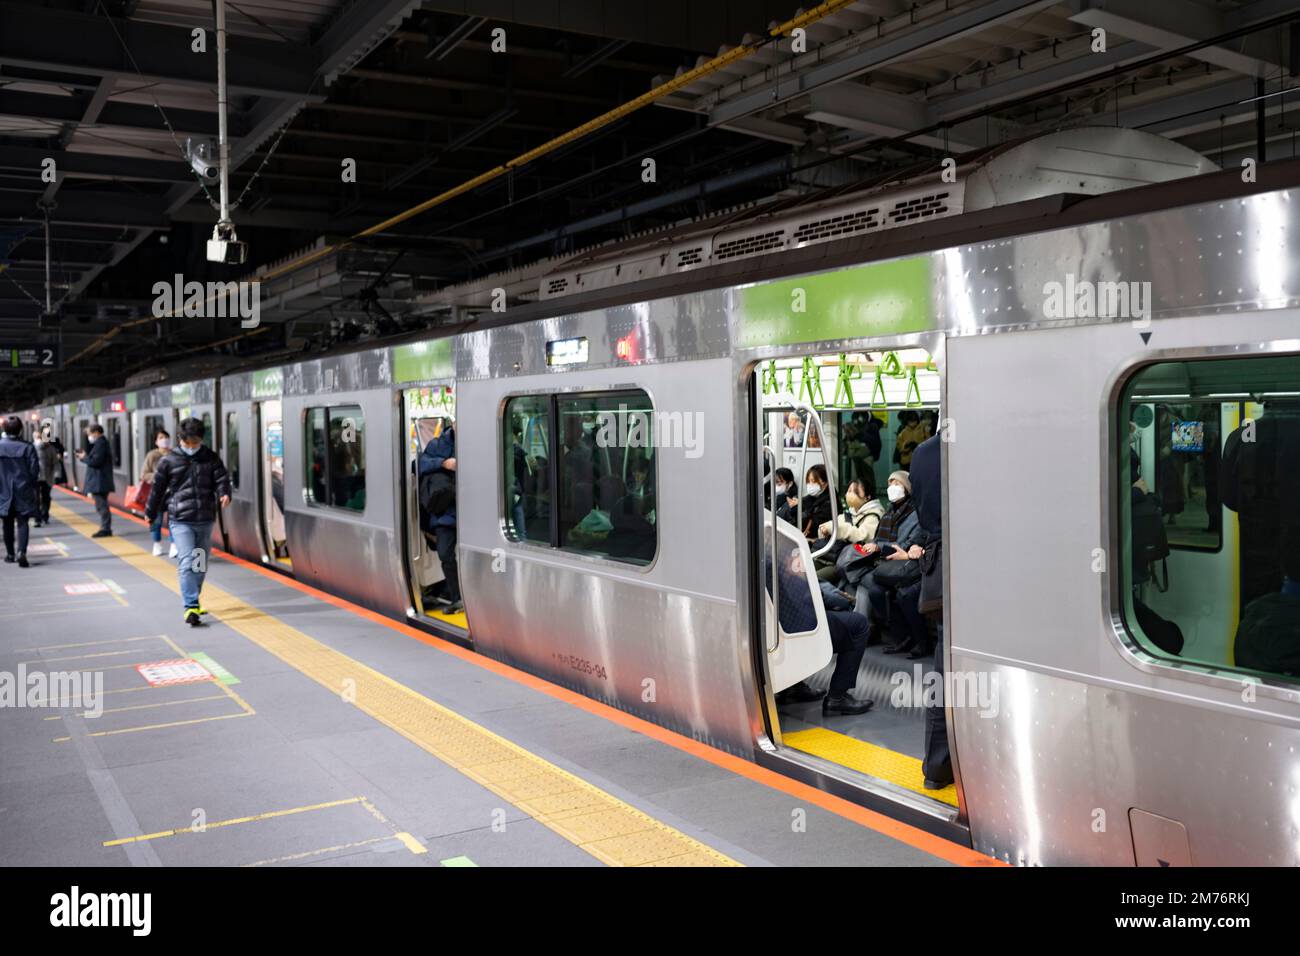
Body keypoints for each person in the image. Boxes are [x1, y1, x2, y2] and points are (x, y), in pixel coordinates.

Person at [145, 418, 231, 626]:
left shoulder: (210, 458)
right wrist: (150, 511)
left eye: (195, 442)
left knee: (200, 564)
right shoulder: (169, 461)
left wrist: (224, 493)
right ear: (180, 440)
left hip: (205, 519)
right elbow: (157, 489)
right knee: (186, 562)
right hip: (181, 520)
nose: (191, 447)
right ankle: (190, 606)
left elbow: (221, 478)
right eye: (187, 443)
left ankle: (195, 596)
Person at [771, 544, 873, 716]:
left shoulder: (759, 558)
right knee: (858, 624)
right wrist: (843, 601)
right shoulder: (781, 558)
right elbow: (811, 594)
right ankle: (837, 697)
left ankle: (793, 686)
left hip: (776, 624)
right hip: (796, 626)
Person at [906, 434, 952, 789]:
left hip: (938, 569)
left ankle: (937, 766)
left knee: (943, 668)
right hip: (977, 568)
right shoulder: (981, 446)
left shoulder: (922, 453)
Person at [418, 416, 460, 613]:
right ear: (453, 423)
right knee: (445, 554)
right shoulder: (438, 444)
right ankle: (456, 597)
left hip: (472, 511)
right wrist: (444, 463)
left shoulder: (481, 440)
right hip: (445, 511)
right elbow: (418, 465)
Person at [0, 416, 39, 567]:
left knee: (7, 523)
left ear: (4, 429)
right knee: (23, 522)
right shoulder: (28, 447)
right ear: (21, 429)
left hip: (3, 491)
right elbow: (35, 471)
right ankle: (21, 552)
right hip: (23, 490)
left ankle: (10, 554)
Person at [76, 423, 114, 537]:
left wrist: (84, 458)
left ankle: (105, 528)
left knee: (101, 506)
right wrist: (86, 457)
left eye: (90, 434)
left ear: (96, 433)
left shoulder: (101, 444)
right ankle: (105, 527)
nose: (89, 437)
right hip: (100, 480)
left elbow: (95, 462)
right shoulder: (101, 443)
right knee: (101, 505)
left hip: (100, 481)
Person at [140, 429, 174, 557]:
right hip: (157, 493)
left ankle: (174, 545)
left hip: (172, 493)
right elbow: (143, 474)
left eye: (166, 437)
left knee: (174, 520)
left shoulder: (175, 454)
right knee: (156, 520)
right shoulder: (152, 455)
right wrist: (159, 476)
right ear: (156, 441)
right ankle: (157, 544)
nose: (164, 440)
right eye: (161, 438)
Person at [800, 463, 832, 542]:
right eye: (808, 481)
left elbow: (816, 526)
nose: (810, 485)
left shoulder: (829, 502)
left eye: (813, 481)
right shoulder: (813, 498)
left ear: (825, 482)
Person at [33, 427, 58, 527]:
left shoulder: (50, 449)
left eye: (39, 437)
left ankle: (44, 516)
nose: (38, 439)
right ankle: (37, 518)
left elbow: (55, 463)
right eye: (36, 437)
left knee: (46, 497)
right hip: (35, 477)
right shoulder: (30, 447)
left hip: (47, 477)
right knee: (36, 498)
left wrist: (56, 474)